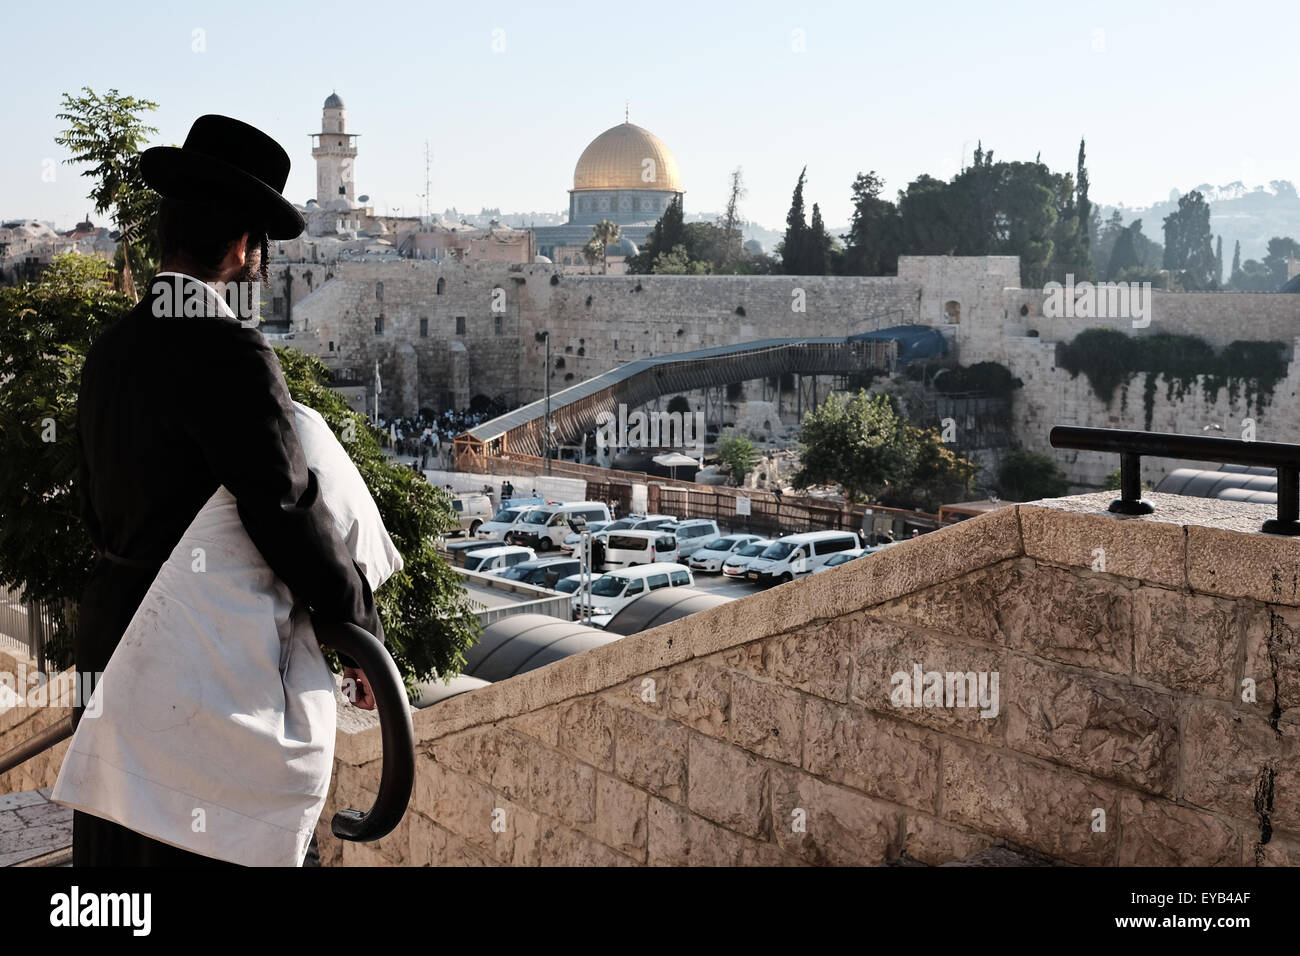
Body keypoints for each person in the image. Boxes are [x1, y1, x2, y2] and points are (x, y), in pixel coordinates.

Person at [67, 115, 384, 867]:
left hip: (111, 640)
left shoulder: (110, 351)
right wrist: (359, 626)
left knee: (123, 859)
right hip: (192, 663)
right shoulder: (230, 350)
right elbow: (283, 508)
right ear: (244, 246)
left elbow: (93, 505)